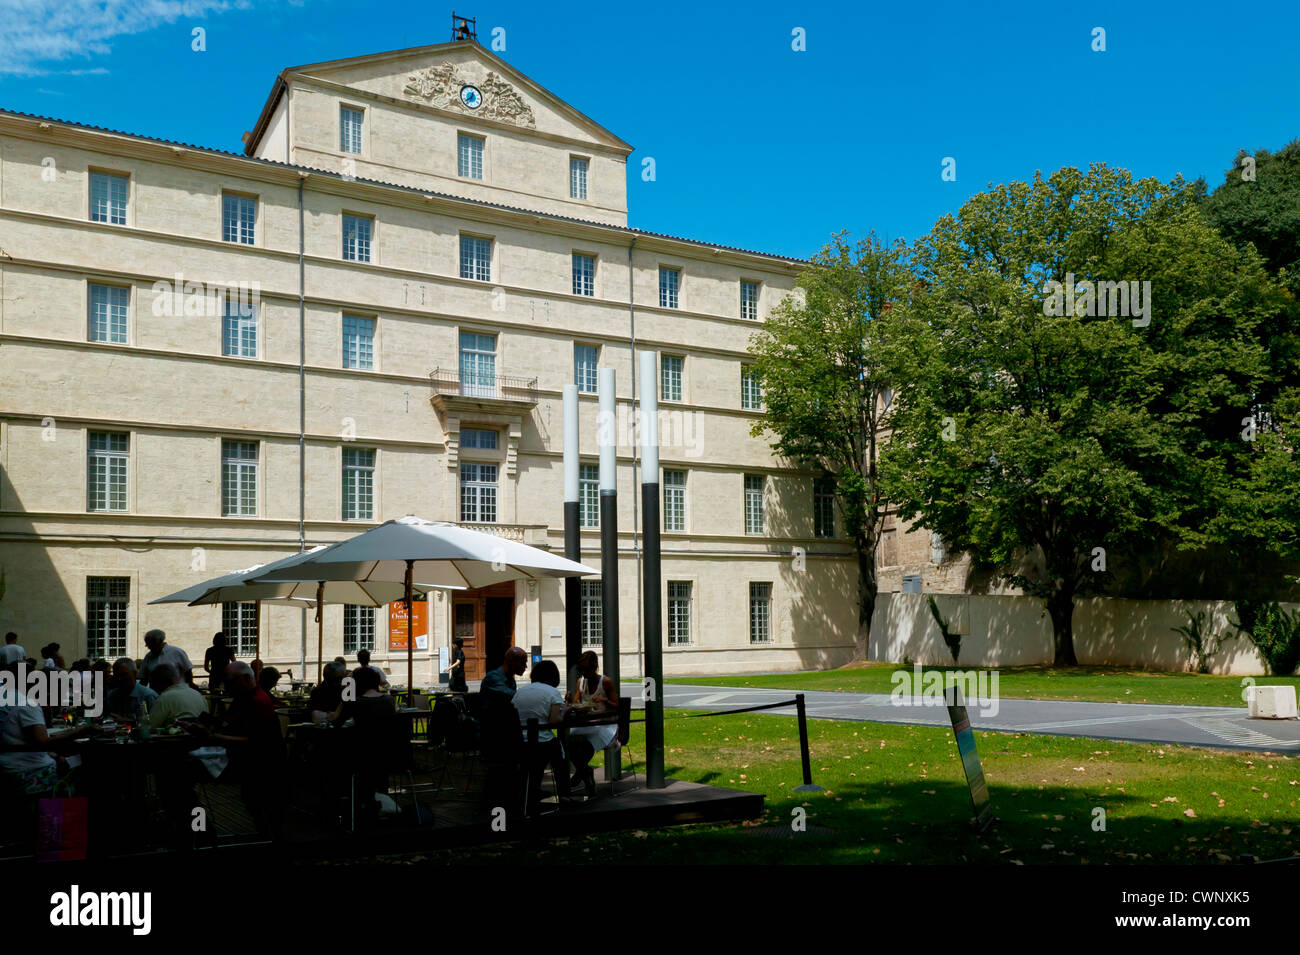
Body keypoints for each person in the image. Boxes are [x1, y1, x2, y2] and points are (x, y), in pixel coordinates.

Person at [188, 661, 285, 837]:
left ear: (247, 678)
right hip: (248, 759)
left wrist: (212, 736)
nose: (226, 686)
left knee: (185, 775)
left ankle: (200, 830)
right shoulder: (244, 698)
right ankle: (200, 828)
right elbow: (228, 724)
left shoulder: (258, 702)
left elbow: (253, 741)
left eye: (230, 681)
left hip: (256, 762)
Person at [0, 662, 95, 796]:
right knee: (87, 765)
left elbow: (22, 738)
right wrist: (81, 732)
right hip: (31, 771)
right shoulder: (26, 704)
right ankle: (58, 814)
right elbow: (42, 742)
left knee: (68, 759)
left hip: (9, 766)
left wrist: (55, 755)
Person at [327, 665, 403, 829]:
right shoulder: (389, 701)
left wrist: (344, 699)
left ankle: (349, 805)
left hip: (361, 758)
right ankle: (375, 801)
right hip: (388, 756)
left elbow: (335, 720)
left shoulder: (354, 702)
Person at [513, 659, 571, 810]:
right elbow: (554, 721)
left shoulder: (520, 692)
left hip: (519, 742)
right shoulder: (553, 692)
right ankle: (564, 793)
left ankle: (529, 793)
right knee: (561, 756)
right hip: (542, 743)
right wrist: (565, 711)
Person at [479, 647, 528, 812]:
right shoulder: (494, 678)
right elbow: (513, 697)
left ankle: (518, 796)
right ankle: (499, 806)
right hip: (494, 735)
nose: (525, 666)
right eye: (522, 662)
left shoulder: (509, 678)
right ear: (511, 662)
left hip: (506, 732)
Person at [565, 650, 619, 797]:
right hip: (588, 723)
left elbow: (617, 705)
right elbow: (576, 702)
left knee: (586, 741)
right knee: (571, 741)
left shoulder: (605, 682)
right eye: (580, 669)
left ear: (594, 666)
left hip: (605, 724)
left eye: (586, 669)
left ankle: (581, 771)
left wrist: (605, 700)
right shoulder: (581, 682)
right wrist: (570, 701)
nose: (583, 673)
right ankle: (584, 770)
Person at [147, 663, 207, 730]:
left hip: (177, 738)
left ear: (158, 683)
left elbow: (150, 726)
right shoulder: (197, 694)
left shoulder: (164, 698)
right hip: (202, 738)